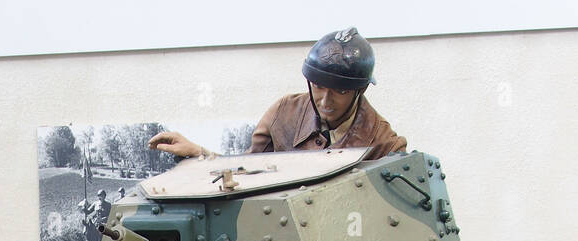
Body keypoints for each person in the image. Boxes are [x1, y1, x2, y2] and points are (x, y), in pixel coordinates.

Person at [148, 28, 406, 163]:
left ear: (359, 91)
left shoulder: (385, 144)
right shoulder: (284, 113)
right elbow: (247, 172)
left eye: (341, 91)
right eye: (318, 86)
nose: (326, 101)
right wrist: (198, 152)